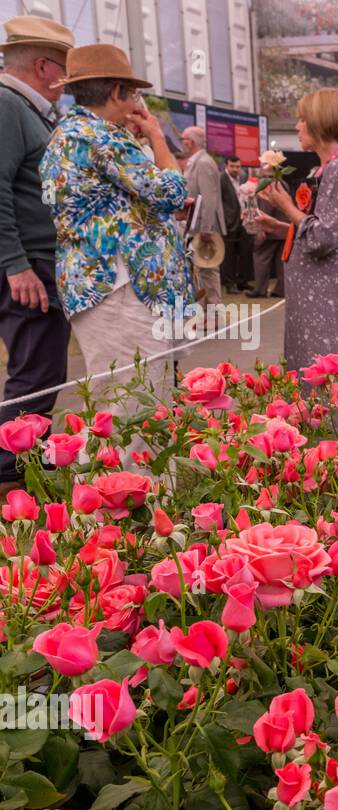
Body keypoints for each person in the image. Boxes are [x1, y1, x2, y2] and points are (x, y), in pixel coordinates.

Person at [40, 44, 191, 408]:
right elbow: (172, 191)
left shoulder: (75, 133)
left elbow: (127, 200)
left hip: (112, 288)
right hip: (120, 289)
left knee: (130, 406)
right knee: (135, 408)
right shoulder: (100, 137)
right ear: (115, 92)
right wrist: (156, 136)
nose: (136, 104)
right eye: (134, 94)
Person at [0, 15, 75, 493]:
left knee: (40, 371)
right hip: (28, 265)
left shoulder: (23, 109)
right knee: (35, 376)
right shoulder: (7, 106)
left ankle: (20, 470)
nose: (67, 81)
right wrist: (17, 264)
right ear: (45, 66)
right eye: (65, 69)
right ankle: (12, 477)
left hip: (34, 261)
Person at [256, 88, 338, 373]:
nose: (297, 126)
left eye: (302, 119)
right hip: (315, 293)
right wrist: (280, 226)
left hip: (324, 293)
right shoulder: (333, 168)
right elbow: (332, 227)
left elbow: (325, 237)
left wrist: (287, 206)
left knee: (325, 376)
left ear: (319, 121)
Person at [180, 125, 225, 307]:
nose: (182, 143)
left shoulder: (204, 162)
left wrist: (206, 228)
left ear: (190, 142)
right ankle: (206, 310)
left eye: (183, 139)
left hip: (203, 227)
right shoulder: (196, 161)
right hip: (194, 226)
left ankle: (215, 312)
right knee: (200, 270)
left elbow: (209, 198)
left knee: (208, 269)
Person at [220, 158, 253, 294]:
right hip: (229, 222)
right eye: (232, 166)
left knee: (245, 252)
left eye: (238, 166)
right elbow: (218, 201)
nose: (235, 169)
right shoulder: (221, 179)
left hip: (244, 220)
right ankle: (230, 283)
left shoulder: (244, 177)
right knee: (229, 255)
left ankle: (242, 281)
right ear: (226, 166)